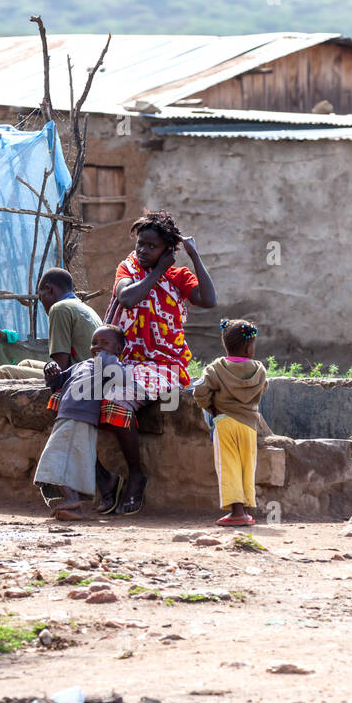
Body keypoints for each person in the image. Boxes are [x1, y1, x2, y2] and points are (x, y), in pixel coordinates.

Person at [96, 210, 217, 515]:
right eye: (140, 244)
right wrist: (155, 272)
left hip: (166, 367)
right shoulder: (128, 269)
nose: (143, 251)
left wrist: (194, 255)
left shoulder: (178, 278)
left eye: (151, 246)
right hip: (127, 362)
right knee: (72, 397)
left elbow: (209, 299)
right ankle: (103, 478)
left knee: (116, 402)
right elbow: (127, 299)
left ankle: (136, 476)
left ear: (167, 251)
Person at [34, 325, 129, 521]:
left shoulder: (111, 363)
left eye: (104, 343)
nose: (97, 347)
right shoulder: (80, 365)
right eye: (94, 343)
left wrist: (106, 360)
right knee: (69, 462)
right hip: (66, 417)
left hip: (81, 417)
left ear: (118, 350)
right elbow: (58, 383)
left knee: (56, 458)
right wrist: (51, 373)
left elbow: (121, 379)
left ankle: (72, 499)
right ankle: (74, 504)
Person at [190, 318, 267, 526]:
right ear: (249, 347)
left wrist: (211, 407)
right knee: (247, 466)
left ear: (226, 344)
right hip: (249, 425)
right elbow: (263, 388)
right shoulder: (259, 369)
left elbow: (199, 390)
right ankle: (247, 509)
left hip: (224, 422)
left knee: (228, 465)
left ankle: (236, 512)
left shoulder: (217, 368)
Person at [0, 268, 101, 379]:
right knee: (26, 364)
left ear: (48, 289)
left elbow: (60, 368)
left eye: (41, 297)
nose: (43, 304)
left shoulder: (60, 308)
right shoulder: (84, 308)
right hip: (89, 372)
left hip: (78, 377)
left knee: (4, 372)